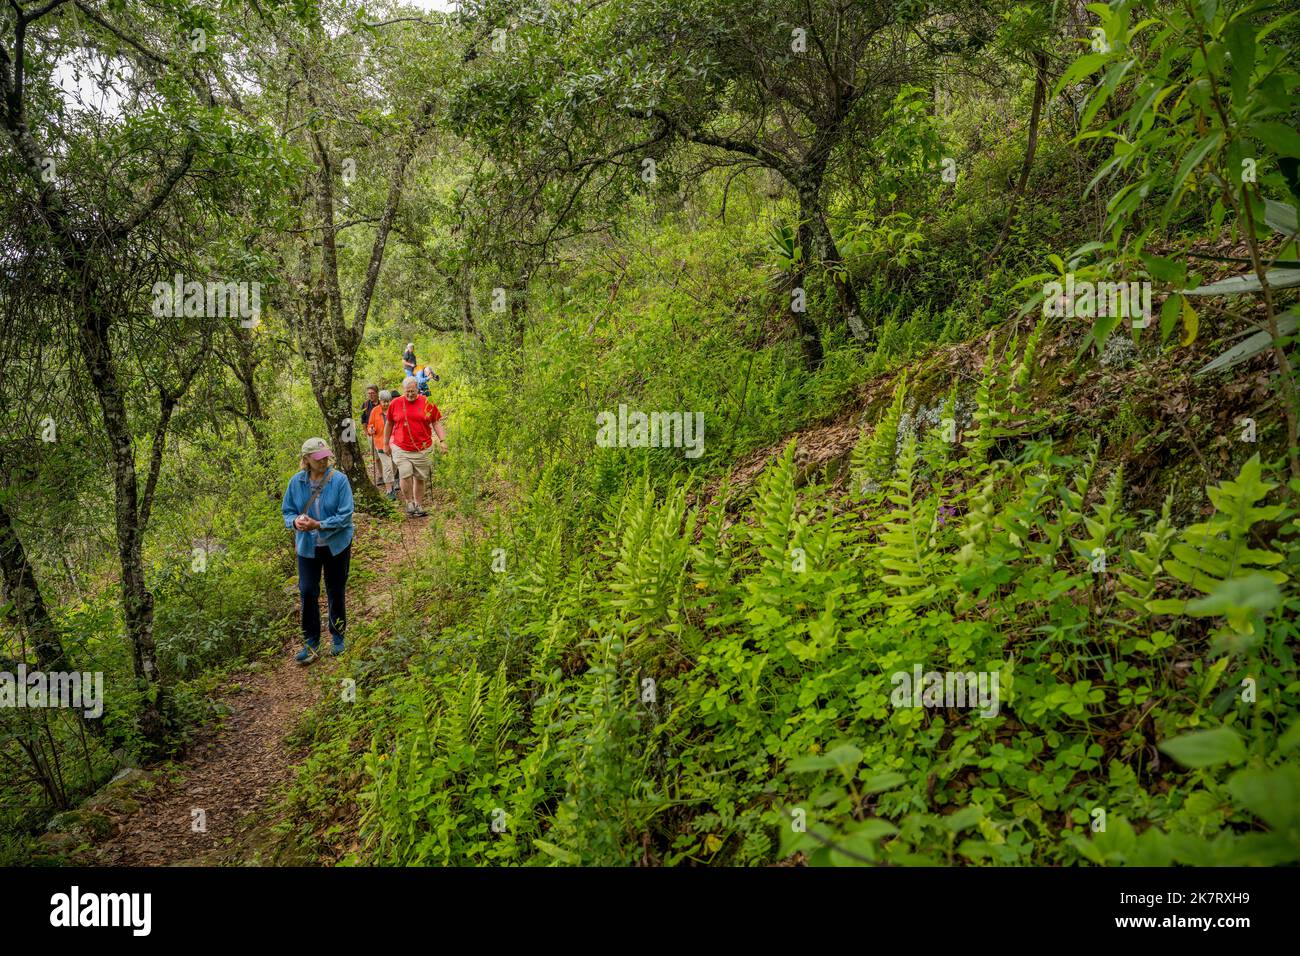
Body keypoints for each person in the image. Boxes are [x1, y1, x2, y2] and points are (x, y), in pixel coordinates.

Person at [281, 437, 354, 663]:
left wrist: (319, 525)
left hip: (336, 544)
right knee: (307, 591)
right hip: (308, 547)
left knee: (335, 588)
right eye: (318, 459)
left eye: (325, 457)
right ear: (306, 460)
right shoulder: (296, 483)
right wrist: (295, 523)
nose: (324, 462)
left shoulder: (339, 480)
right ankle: (311, 642)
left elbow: (345, 515)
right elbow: (288, 511)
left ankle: (338, 637)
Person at [384, 376, 447, 518]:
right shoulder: (395, 403)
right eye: (407, 392)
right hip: (401, 447)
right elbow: (389, 424)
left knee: (420, 477)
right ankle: (409, 502)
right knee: (405, 474)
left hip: (423, 448)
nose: (410, 394)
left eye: (412, 391)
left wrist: (442, 440)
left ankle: (418, 504)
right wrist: (385, 443)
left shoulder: (427, 402)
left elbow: (436, 422)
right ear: (403, 390)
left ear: (417, 389)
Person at [367, 390, 399, 501]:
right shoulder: (375, 411)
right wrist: (371, 429)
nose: (386, 404)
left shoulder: (394, 409)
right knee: (387, 467)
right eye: (384, 402)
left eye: (388, 401)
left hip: (395, 443)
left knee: (395, 466)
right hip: (380, 442)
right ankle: (389, 490)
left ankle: (392, 483)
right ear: (380, 401)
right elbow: (370, 424)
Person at [359, 385, 380, 483]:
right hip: (371, 433)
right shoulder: (365, 405)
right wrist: (366, 432)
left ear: (377, 393)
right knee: (376, 456)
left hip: (382, 432)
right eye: (369, 393)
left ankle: (390, 475)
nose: (371, 395)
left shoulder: (382, 402)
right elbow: (363, 420)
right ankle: (381, 475)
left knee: (384, 454)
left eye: (372, 393)